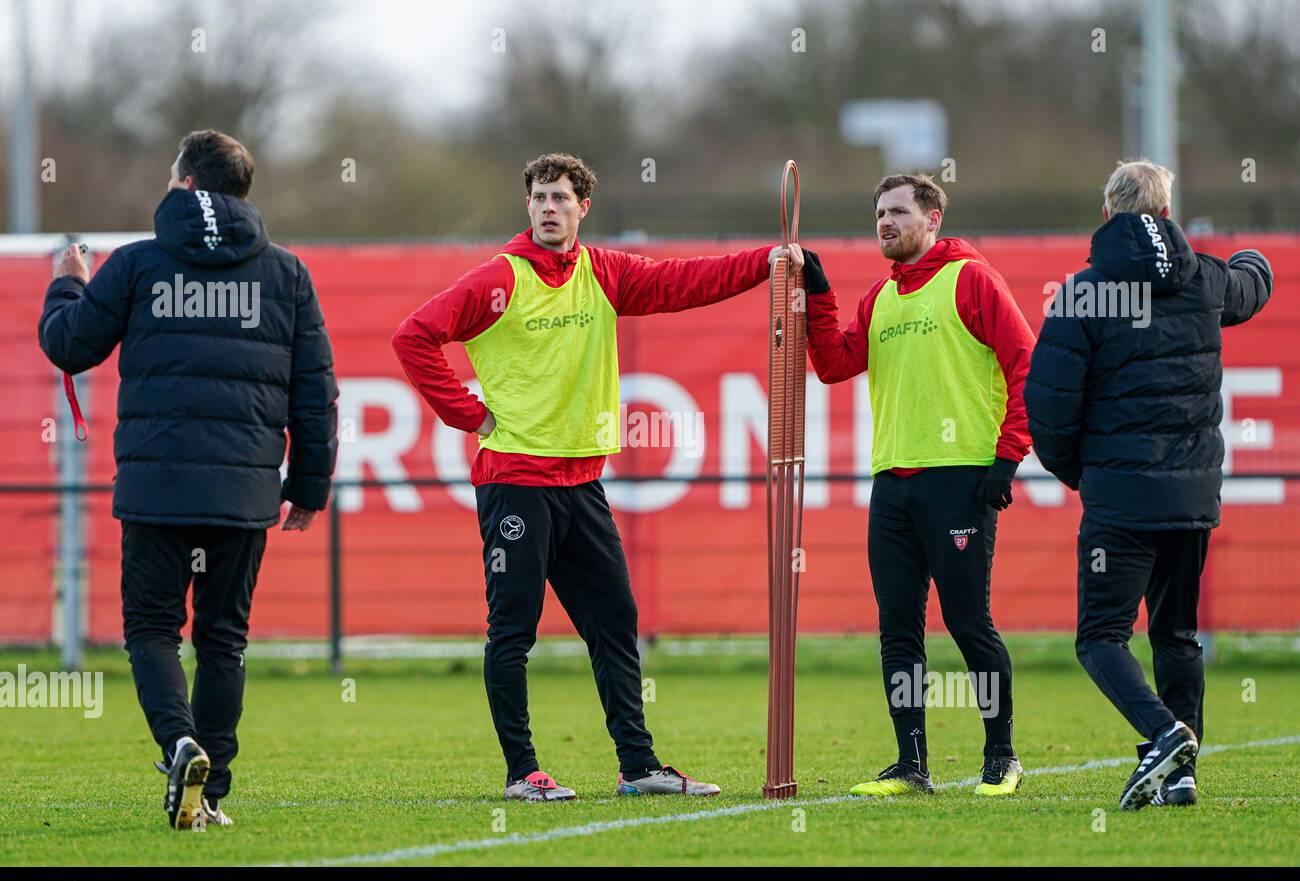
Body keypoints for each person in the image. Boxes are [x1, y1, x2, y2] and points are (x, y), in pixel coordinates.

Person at [392, 152, 794, 800]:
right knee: (513, 630)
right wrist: (467, 414)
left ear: (584, 208)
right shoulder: (500, 278)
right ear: (529, 207)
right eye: (539, 197)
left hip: (582, 485)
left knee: (615, 621)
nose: (548, 207)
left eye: (560, 197)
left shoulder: (604, 273)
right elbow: (413, 336)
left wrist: (767, 262)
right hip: (516, 480)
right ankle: (523, 772)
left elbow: (685, 281)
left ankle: (638, 767)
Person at [38, 130, 339, 830]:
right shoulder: (287, 274)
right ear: (242, 191)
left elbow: (68, 344)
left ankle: (179, 743)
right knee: (223, 640)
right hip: (243, 495)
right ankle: (213, 792)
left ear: (182, 184)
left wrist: (66, 278)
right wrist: (310, 485)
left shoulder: (136, 264)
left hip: (156, 490)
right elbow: (315, 392)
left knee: (151, 630)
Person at [1025, 159, 1272, 810]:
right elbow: (1255, 283)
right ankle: (1183, 775)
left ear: (1106, 214)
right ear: (1167, 215)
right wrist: (1250, 255)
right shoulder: (1205, 281)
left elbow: (1048, 409)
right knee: (1178, 634)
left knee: (1101, 637)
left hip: (1119, 498)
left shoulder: (1083, 292)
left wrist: (1083, 475)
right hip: (1191, 500)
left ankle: (1165, 735)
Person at [802, 172, 1037, 798]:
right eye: (879, 212)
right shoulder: (880, 298)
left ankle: (1002, 758)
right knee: (898, 627)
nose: (885, 222)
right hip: (893, 486)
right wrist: (816, 294)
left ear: (933, 219)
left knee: (967, 624)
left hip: (961, 480)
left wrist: (1008, 457)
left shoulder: (971, 279)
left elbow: (1026, 366)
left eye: (898, 212)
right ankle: (911, 765)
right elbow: (832, 364)